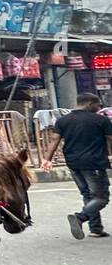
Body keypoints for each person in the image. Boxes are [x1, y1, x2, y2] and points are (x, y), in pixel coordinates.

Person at [41, 92, 112, 239]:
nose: (99, 108)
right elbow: (111, 139)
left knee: (88, 195)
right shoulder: (101, 120)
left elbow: (54, 140)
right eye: (97, 105)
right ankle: (80, 217)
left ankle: (96, 229)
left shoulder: (63, 120)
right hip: (94, 163)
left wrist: (46, 159)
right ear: (90, 104)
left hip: (73, 163)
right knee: (101, 197)